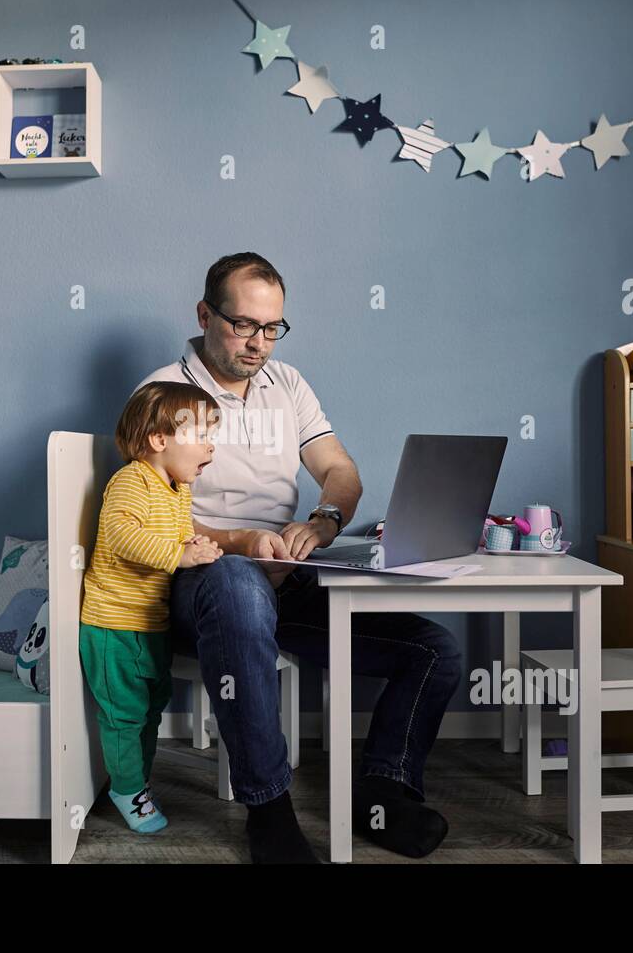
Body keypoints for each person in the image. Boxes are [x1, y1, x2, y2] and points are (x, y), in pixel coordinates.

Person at [137, 252, 462, 863]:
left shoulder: (287, 385)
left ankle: (384, 795)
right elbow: (147, 513)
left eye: (272, 328)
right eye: (243, 325)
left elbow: (340, 470)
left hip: (287, 578)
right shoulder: (163, 394)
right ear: (205, 314)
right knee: (236, 584)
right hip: (203, 578)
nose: (259, 343)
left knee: (434, 650)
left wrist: (323, 521)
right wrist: (241, 543)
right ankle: (269, 810)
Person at [79, 381, 222, 833]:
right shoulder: (131, 480)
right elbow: (122, 535)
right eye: (201, 437)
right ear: (159, 440)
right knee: (124, 713)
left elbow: (173, 534)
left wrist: (191, 544)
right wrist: (180, 555)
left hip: (150, 622)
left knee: (151, 705)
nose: (211, 448)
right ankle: (127, 789)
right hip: (113, 624)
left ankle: (134, 779)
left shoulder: (178, 489)